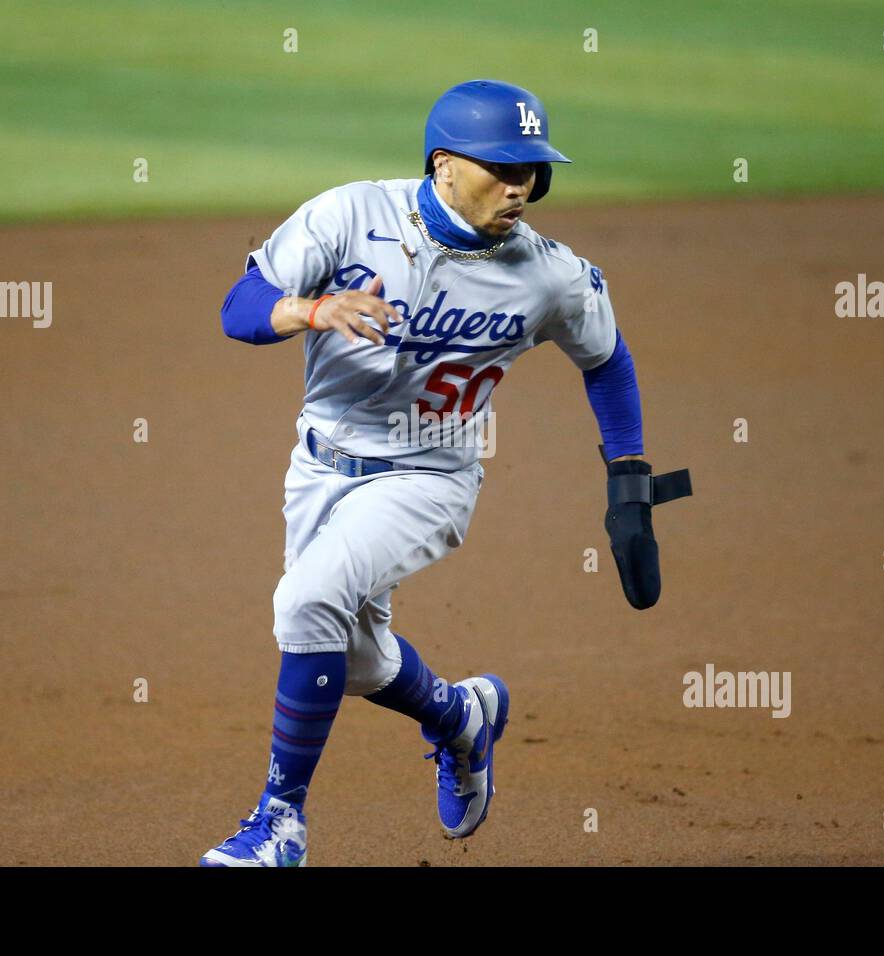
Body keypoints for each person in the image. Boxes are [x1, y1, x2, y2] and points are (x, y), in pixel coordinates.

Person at [201, 79, 689, 867]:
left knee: (306, 602)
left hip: (430, 475)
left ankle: (279, 824)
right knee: (352, 659)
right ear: (443, 166)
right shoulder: (348, 214)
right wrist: (310, 310)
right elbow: (239, 304)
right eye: (502, 166)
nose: (521, 184)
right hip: (318, 467)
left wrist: (629, 480)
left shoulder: (550, 275)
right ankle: (462, 715)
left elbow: (608, 360)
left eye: (532, 168)